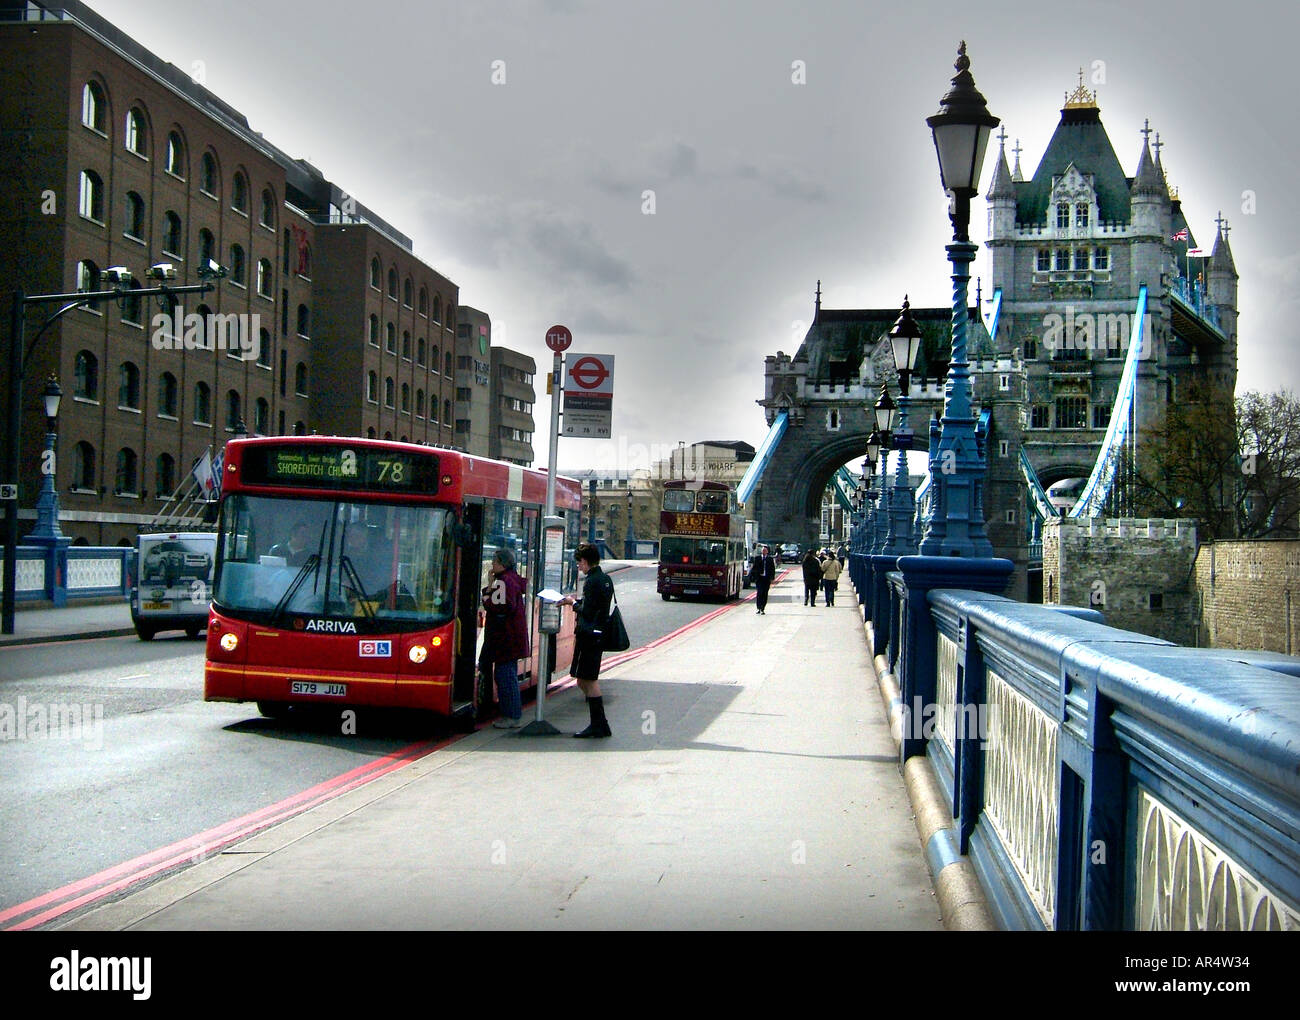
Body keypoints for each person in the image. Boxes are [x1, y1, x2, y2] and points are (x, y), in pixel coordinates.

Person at [559, 543, 614, 738]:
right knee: (583, 680)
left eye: (579, 562)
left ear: (585, 561)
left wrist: (571, 602)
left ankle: (599, 725)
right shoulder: (605, 579)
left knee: (588, 681)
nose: (578, 566)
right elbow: (598, 606)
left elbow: (588, 611)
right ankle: (599, 724)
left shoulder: (591, 581)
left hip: (589, 636)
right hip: (598, 635)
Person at [479, 548, 529, 729]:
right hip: (510, 638)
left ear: (502, 563)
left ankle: (512, 716)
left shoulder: (504, 582)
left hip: (504, 638)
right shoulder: (512, 579)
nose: (492, 565)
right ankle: (511, 714)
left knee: (505, 676)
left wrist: (487, 593)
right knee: (506, 675)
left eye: (494, 561)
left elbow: (498, 605)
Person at [750, 544, 776, 614]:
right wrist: (755, 577)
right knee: (759, 593)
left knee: (765, 593)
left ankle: (763, 608)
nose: (764, 551)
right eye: (763, 550)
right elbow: (754, 568)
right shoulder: (757, 558)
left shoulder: (770, 559)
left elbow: (772, 569)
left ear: (767, 552)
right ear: (761, 551)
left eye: (765, 550)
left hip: (766, 579)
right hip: (759, 579)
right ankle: (758, 607)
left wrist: (772, 578)